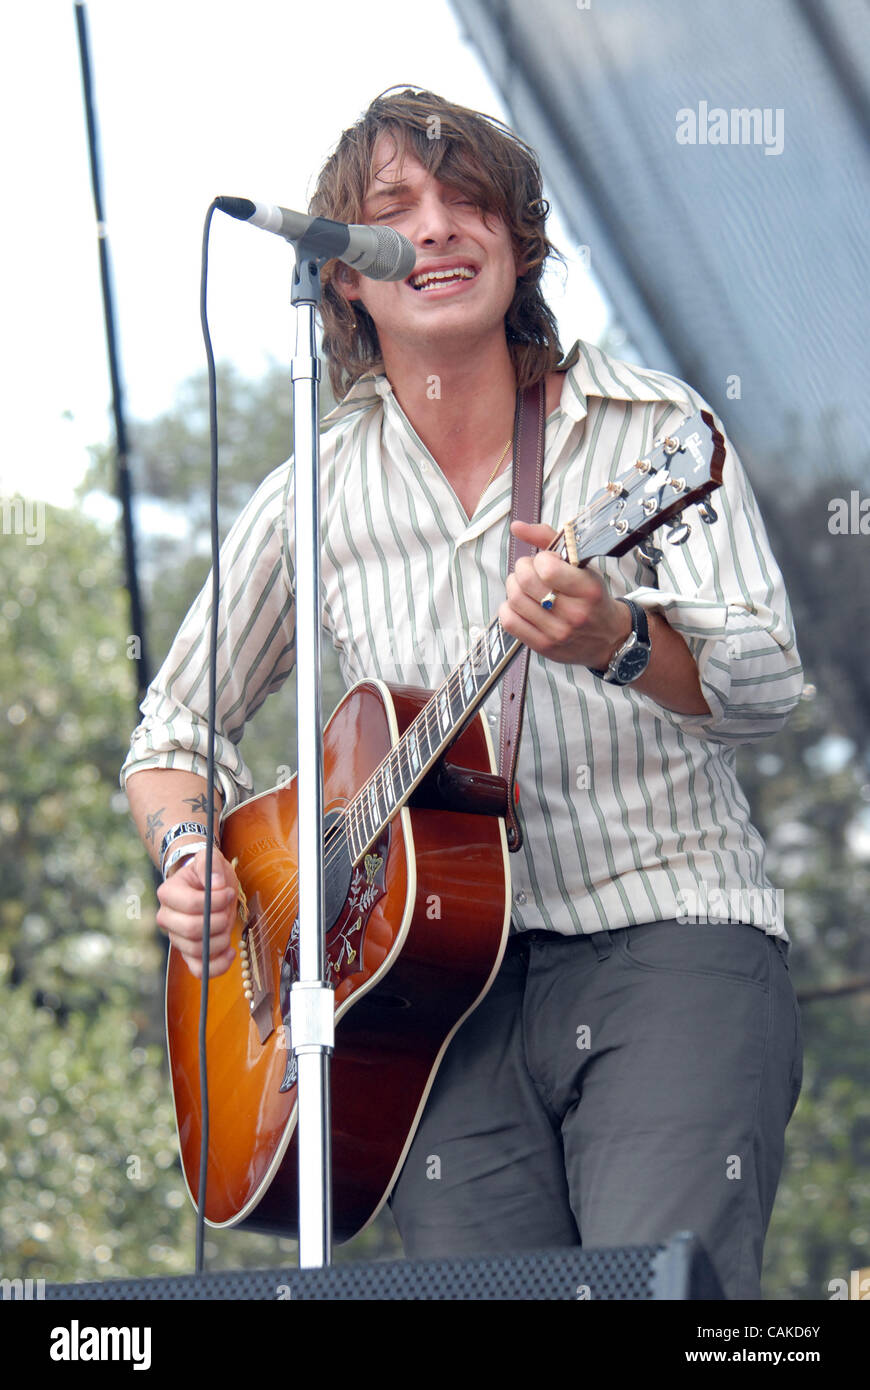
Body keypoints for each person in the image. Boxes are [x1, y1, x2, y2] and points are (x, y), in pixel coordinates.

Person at [122, 88, 804, 1299]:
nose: (434, 228)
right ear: (344, 280)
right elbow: (171, 732)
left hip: (667, 940)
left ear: (519, 243)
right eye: (392, 214)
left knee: (662, 1298)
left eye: (468, 202)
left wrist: (622, 640)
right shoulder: (311, 490)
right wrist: (192, 852)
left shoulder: (652, 435)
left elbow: (766, 683)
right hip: (425, 998)